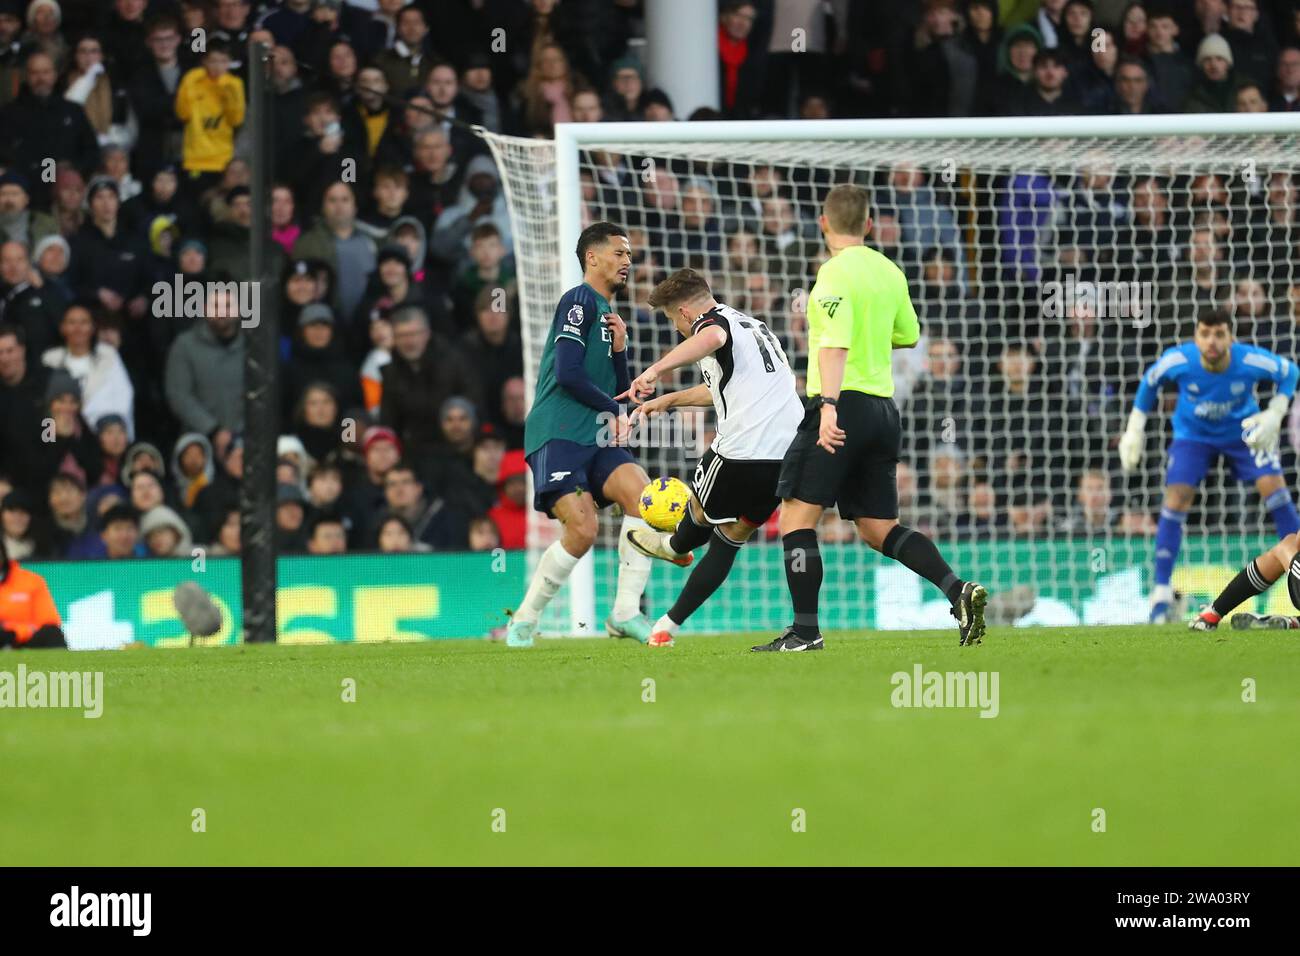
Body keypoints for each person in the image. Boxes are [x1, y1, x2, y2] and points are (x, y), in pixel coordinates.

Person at [763, 184, 988, 651]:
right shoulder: (890, 271)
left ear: (824, 223)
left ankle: (805, 632)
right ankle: (957, 591)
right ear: (868, 225)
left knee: (796, 519)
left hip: (841, 404)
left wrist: (827, 406)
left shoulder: (831, 274)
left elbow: (835, 343)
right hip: (884, 411)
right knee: (876, 527)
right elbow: (908, 335)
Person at [620, 268, 803, 648]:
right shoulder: (753, 326)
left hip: (743, 452)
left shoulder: (714, 325)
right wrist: (667, 400)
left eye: (673, 320)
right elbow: (721, 390)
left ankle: (672, 547)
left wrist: (655, 370)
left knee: (699, 516)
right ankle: (665, 627)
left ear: (686, 313)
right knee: (731, 538)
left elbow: (711, 337)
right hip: (788, 455)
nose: (676, 329)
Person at [504, 221, 655, 648]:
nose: (628, 261)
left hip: (595, 432)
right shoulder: (577, 301)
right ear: (593, 256)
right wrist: (614, 410)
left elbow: (615, 393)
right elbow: (568, 375)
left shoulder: (610, 315)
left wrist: (622, 353)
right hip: (559, 429)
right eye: (620, 253)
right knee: (583, 530)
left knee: (641, 496)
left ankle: (625, 612)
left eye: (629, 255)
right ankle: (526, 620)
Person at [1118, 308, 1299, 623]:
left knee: (1275, 488)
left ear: (1231, 336)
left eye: (1219, 334)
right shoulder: (1180, 360)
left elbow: (1291, 372)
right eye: (1205, 333)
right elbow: (1150, 382)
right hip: (1194, 435)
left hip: (1243, 432)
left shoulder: (1250, 359)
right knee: (1176, 497)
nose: (1211, 341)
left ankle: (1296, 567)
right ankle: (1161, 593)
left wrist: (1274, 412)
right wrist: (1134, 428)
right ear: (1195, 336)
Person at [0, 534, 64, 648]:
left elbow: (48, 622)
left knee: (52, 633)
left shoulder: (31, 581)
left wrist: (15, 633)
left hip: (25, 642)